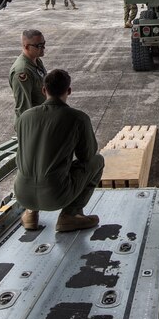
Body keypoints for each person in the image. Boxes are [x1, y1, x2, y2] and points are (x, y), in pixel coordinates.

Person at [14, 69, 105, 232]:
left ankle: (30, 215)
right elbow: (87, 155)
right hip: (55, 196)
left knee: (34, 163)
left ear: (44, 90)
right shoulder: (77, 118)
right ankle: (71, 214)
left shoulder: (24, 117)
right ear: (68, 91)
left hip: (22, 194)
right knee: (97, 161)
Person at [10, 30, 47, 117]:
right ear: (26, 46)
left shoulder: (36, 61)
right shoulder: (22, 71)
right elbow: (24, 108)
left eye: (44, 43)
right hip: (34, 122)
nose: (43, 48)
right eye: (39, 45)